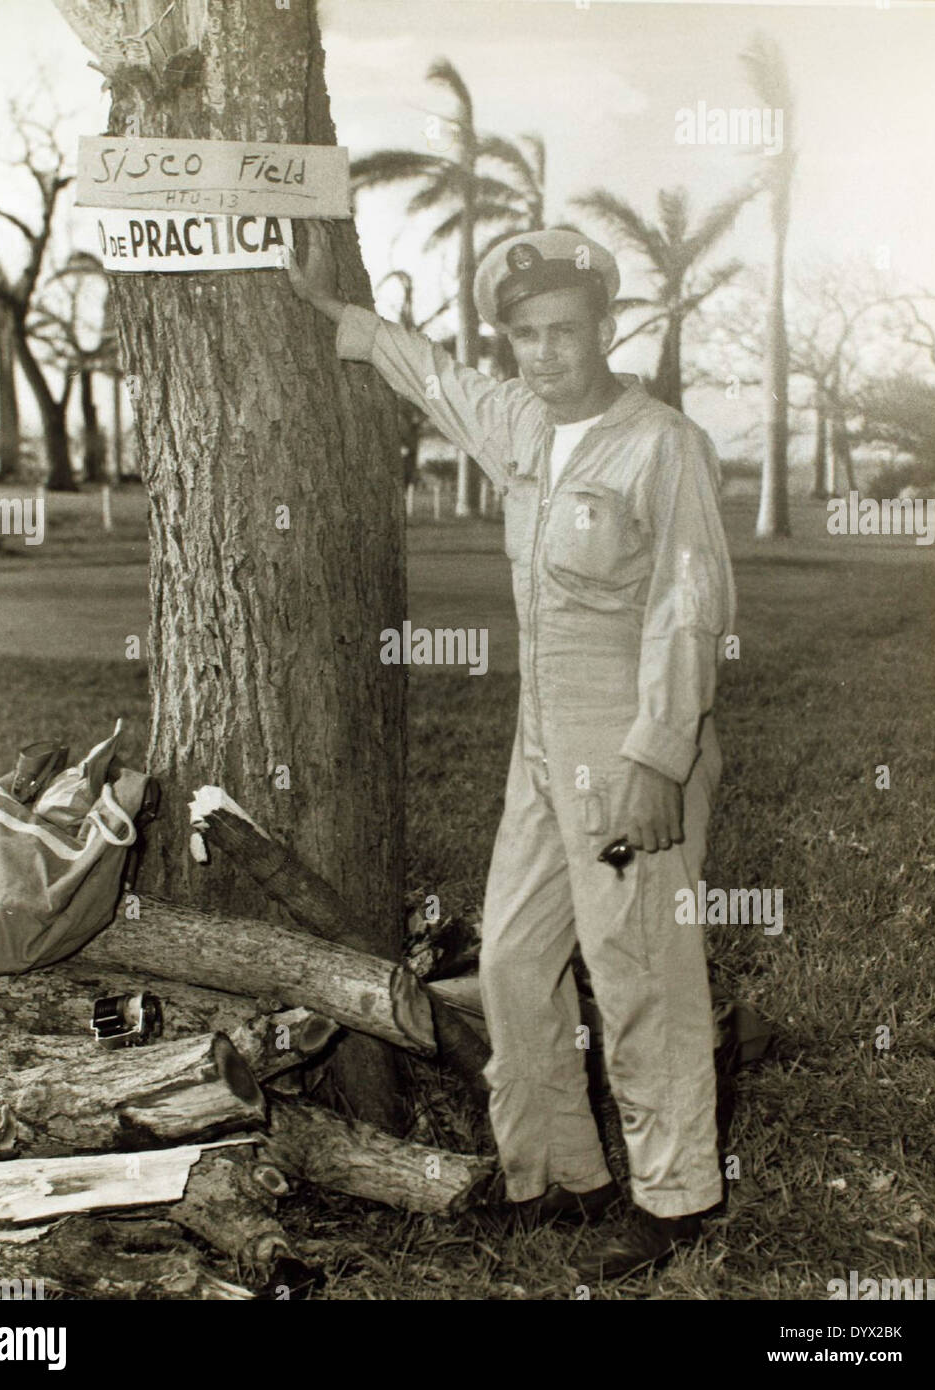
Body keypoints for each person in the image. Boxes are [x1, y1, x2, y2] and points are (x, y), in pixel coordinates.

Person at [288, 225, 736, 1280]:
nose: (543, 353)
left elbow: (687, 604)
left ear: (605, 330)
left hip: (628, 743)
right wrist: (332, 314)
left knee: (637, 972)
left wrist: (655, 757)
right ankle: (560, 1177)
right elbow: (433, 378)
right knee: (509, 961)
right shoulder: (523, 422)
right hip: (539, 747)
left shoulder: (659, 444)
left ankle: (674, 1200)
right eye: (525, 335)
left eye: (564, 333)